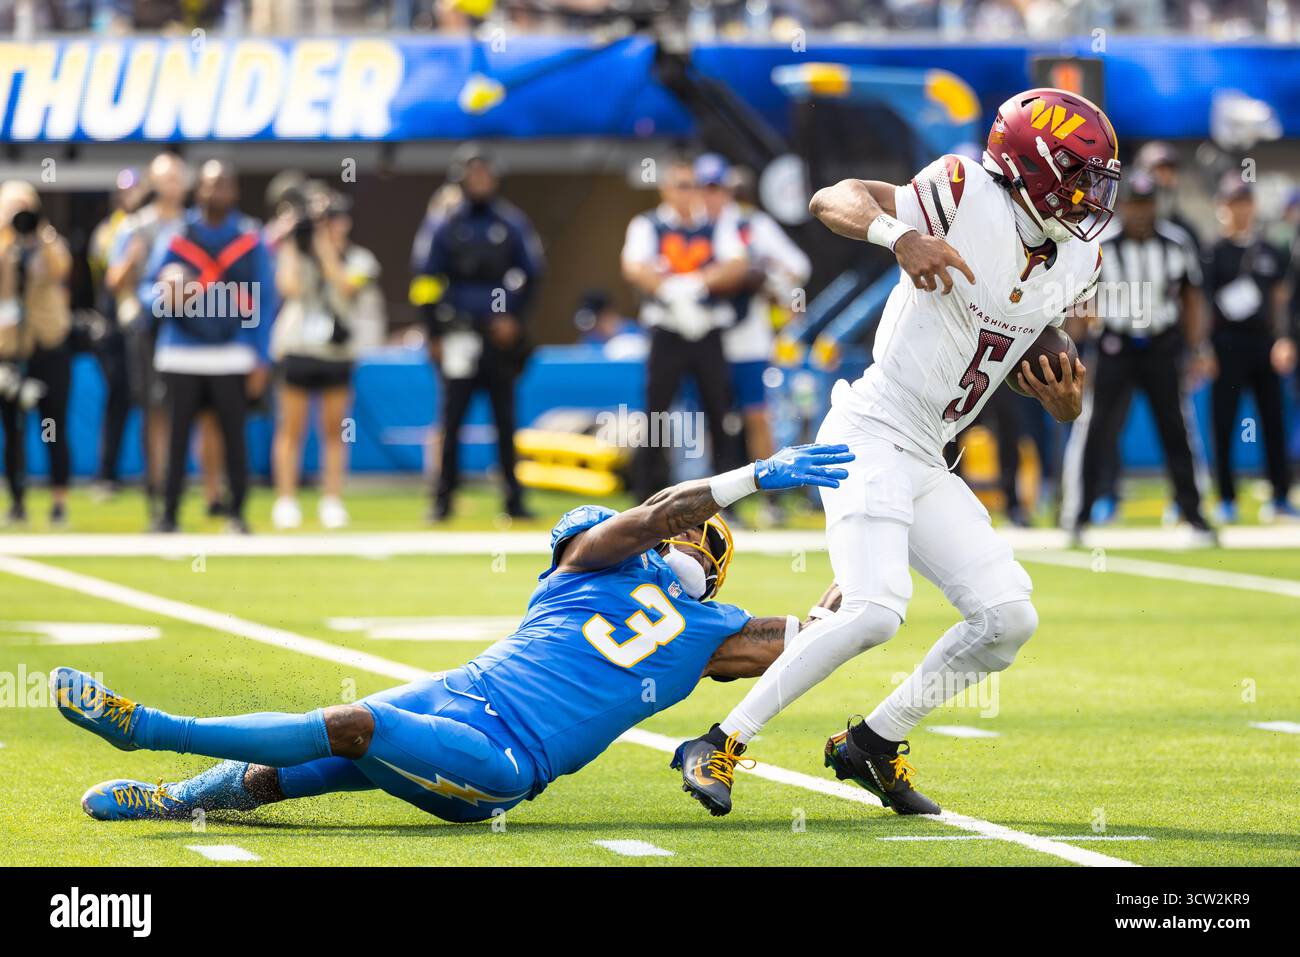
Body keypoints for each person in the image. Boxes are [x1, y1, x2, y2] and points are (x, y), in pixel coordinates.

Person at [673, 88, 1117, 817]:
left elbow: (1007, 349)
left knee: (1008, 618)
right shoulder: (966, 190)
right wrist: (895, 235)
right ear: (1031, 166)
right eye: (1075, 175)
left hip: (930, 452)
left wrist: (1065, 405)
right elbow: (830, 197)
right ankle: (719, 740)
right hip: (870, 430)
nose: (1087, 196)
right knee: (878, 609)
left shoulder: (1078, 257)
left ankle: (873, 742)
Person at [52, 443, 853, 823]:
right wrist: (748, 479)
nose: (676, 544)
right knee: (308, 762)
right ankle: (174, 798)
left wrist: (867, 555)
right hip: (466, 692)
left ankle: (148, 731)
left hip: (506, 761)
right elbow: (655, 516)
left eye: (690, 541)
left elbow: (824, 636)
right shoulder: (584, 567)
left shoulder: (716, 631)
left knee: (351, 726)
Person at [1061, 172, 1215, 542]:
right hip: (1116, 345)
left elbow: (1191, 299)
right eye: (1134, 204)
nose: (1141, 212)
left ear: (1155, 205)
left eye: (1147, 204)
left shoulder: (1174, 244)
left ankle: (1193, 514)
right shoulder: (1102, 245)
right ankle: (1078, 515)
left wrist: (1198, 349)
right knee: (1096, 430)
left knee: (1177, 430)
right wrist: (1072, 350)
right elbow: (1083, 300)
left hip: (1161, 345)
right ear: (1123, 205)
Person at [411, 144, 544, 522]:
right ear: (460, 178)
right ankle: (442, 501)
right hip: (458, 335)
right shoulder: (445, 224)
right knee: (452, 420)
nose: (481, 181)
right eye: (474, 174)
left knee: (505, 420)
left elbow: (533, 273)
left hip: (498, 340)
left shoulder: (511, 222)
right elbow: (424, 281)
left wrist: (514, 318)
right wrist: (433, 332)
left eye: (487, 173)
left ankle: (513, 501)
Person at [141, 160, 275, 534]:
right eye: (211, 185)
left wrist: (260, 355)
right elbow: (146, 292)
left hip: (231, 351)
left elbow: (264, 298)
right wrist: (165, 295)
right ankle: (168, 514)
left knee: (234, 437)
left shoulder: (249, 237)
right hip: (181, 350)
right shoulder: (176, 235)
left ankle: (237, 513)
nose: (218, 193)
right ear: (198, 190)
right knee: (177, 438)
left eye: (226, 185)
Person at [621, 155, 749, 501]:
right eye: (681, 185)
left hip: (707, 329)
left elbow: (737, 265)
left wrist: (695, 284)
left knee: (719, 410)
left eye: (691, 186)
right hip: (667, 330)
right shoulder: (647, 224)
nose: (687, 193)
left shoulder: (716, 224)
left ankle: (726, 496)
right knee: (656, 412)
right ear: (665, 189)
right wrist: (669, 291)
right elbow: (634, 266)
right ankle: (646, 492)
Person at [698, 155, 812, 516]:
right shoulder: (690, 226)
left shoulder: (750, 225)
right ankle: (716, 500)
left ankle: (770, 498)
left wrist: (766, 279)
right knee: (713, 418)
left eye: (717, 188)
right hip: (703, 335)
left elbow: (797, 267)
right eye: (705, 188)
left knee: (755, 415)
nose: (711, 196)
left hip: (747, 336)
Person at [270, 193, 381, 530]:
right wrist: (293, 242)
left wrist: (323, 247)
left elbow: (346, 286)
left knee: (334, 430)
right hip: (299, 348)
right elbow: (288, 287)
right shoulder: (299, 253)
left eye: (334, 219)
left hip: (336, 352)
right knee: (291, 428)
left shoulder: (361, 259)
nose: (329, 226)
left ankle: (331, 498)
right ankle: (286, 500)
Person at [1203, 175, 1296, 522]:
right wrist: (1203, 348)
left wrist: (1283, 338)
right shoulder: (1212, 251)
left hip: (1263, 343)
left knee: (1273, 420)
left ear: (1253, 206)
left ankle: (1280, 495)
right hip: (1226, 344)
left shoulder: (1268, 249)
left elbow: (1280, 299)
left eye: (1244, 202)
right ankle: (1226, 497)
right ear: (1221, 207)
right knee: (1224, 422)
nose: (1239, 209)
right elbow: (1202, 302)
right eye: (1232, 203)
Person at [0, 181, 72, 526]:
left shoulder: (48, 242)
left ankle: (59, 502)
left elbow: (62, 268)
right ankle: (16, 500)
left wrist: (39, 234)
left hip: (49, 346)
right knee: (12, 430)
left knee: (52, 426)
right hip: (11, 349)